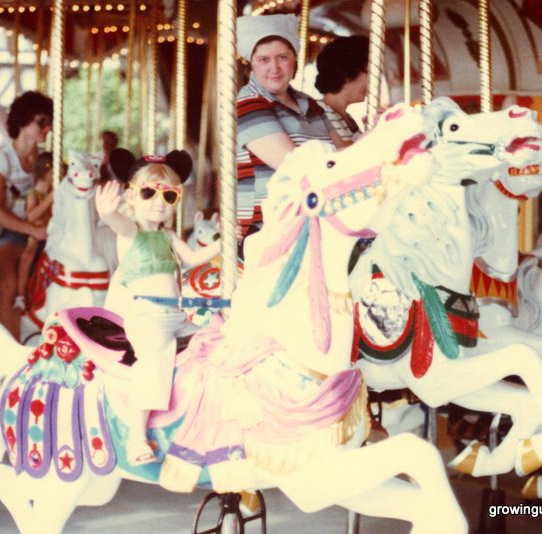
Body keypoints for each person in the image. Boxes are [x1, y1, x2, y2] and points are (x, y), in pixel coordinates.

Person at [95, 149, 221, 465]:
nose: (159, 202)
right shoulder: (131, 231)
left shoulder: (166, 235)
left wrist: (228, 241)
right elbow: (116, 222)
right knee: (154, 360)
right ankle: (137, 439)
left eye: (169, 195)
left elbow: (192, 259)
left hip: (177, 316)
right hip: (147, 319)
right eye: (149, 192)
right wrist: (107, 212)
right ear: (131, 197)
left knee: (215, 342)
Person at [236, 13, 343, 238]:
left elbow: (343, 153)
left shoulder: (310, 104)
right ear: (251, 64)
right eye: (263, 60)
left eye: (282, 57)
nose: (274, 68)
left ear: (295, 59)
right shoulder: (249, 104)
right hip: (268, 227)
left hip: (314, 217)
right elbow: (293, 163)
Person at [0, 91, 52, 339]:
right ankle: (9, 348)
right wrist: (31, 229)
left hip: (44, 230)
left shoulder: (45, 161)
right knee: (7, 283)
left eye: (49, 122)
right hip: (9, 234)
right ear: (23, 121)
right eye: (41, 122)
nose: (48, 128)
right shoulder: (2, 160)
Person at [13, 152, 54, 311]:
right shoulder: (33, 195)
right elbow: (31, 216)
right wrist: (49, 200)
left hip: (51, 234)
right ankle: (20, 296)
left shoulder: (53, 194)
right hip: (36, 234)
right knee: (28, 256)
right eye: (54, 174)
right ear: (46, 173)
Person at [315, 35, 370, 145]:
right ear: (349, 73)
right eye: (369, 72)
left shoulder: (346, 118)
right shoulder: (317, 115)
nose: (371, 81)